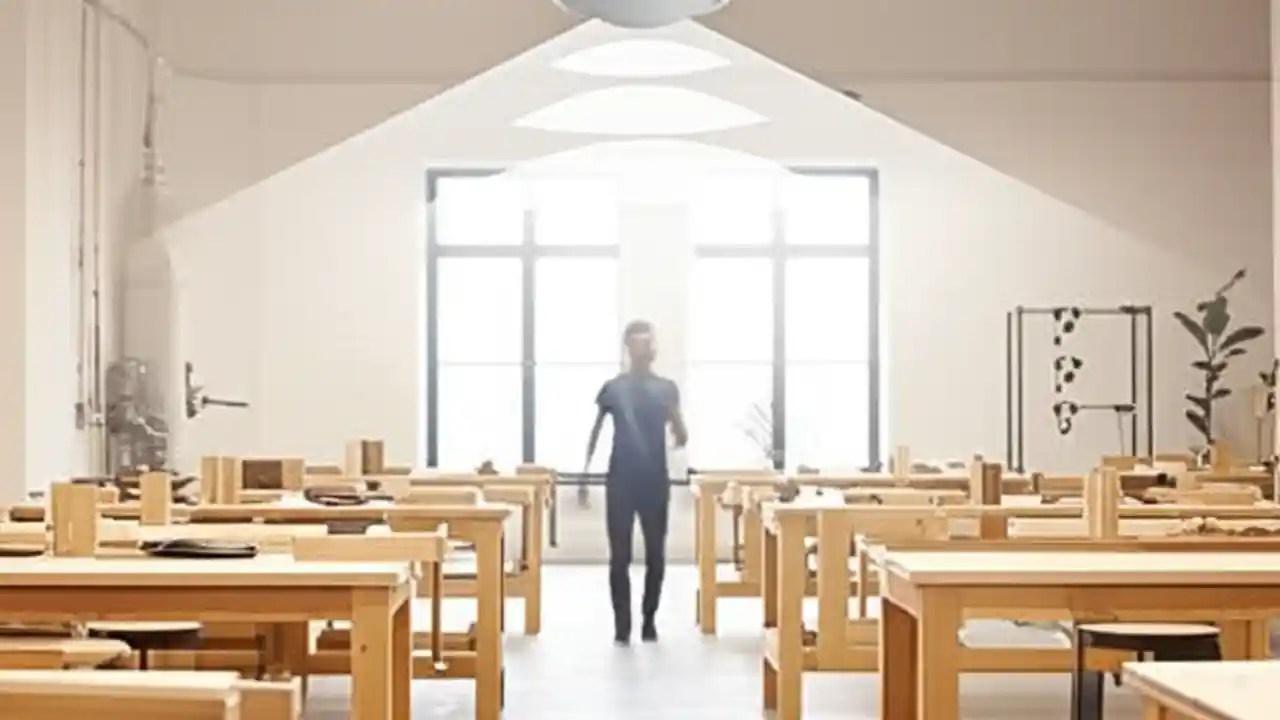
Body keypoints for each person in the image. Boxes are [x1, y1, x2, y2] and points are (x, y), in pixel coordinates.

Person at [585, 320, 688, 645]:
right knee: (620, 556)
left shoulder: (666, 388)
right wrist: (585, 474)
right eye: (637, 343)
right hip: (620, 481)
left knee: (656, 553)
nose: (644, 349)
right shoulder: (612, 388)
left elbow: (681, 433)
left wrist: (676, 425)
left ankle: (649, 620)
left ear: (654, 348)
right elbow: (596, 432)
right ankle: (622, 625)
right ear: (628, 348)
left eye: (648, 342)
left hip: (655, 480)